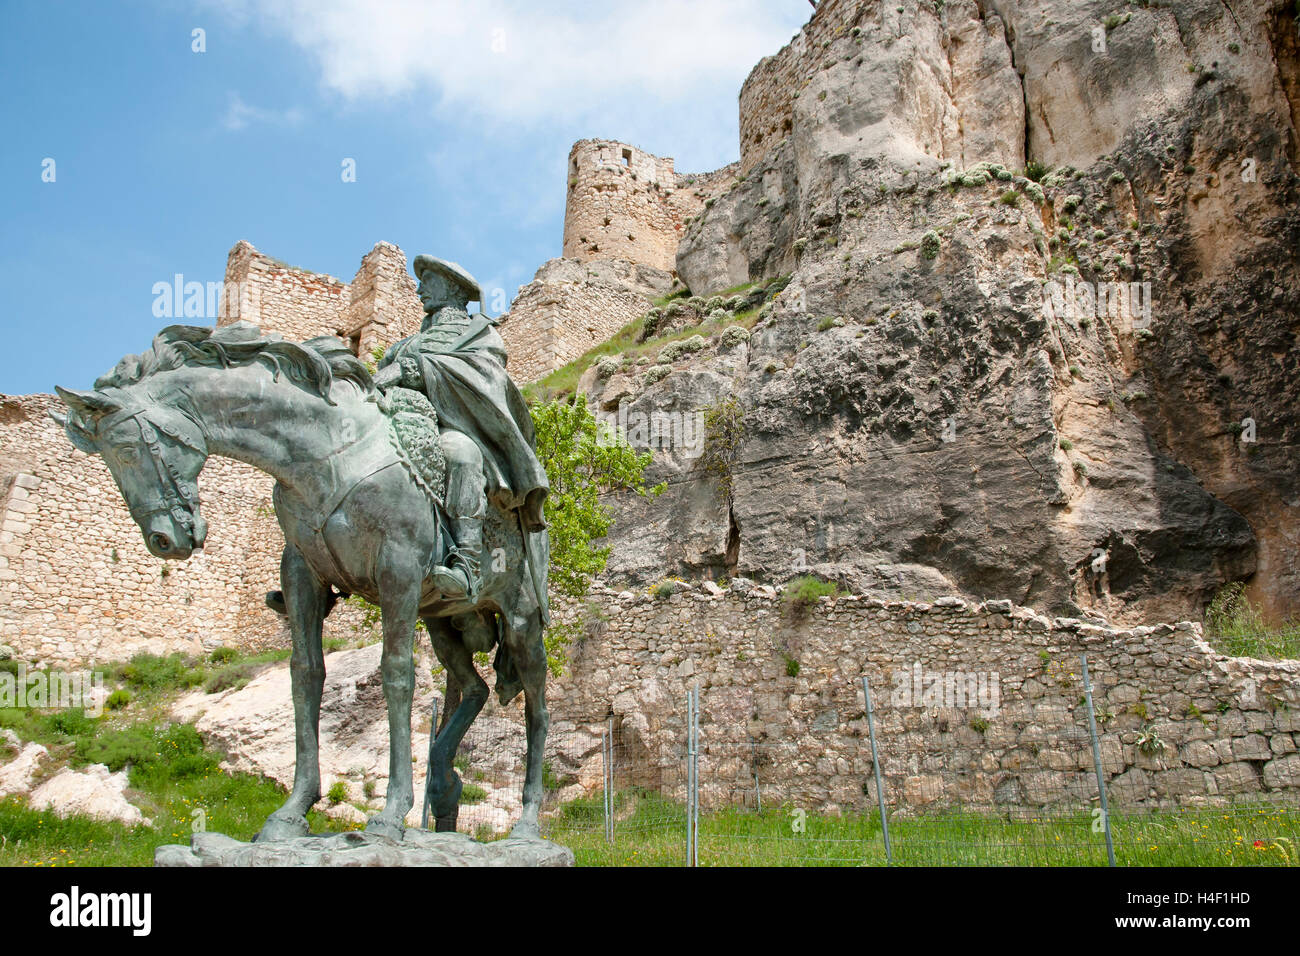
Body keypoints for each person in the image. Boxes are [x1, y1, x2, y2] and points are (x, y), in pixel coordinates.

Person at [369, 255, 548, 602]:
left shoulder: (479, 336)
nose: (420, 291)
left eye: (428, 283)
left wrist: (414, 370)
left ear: (451, 288)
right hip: (394, 419)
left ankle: (465, 562)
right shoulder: (403, 344)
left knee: (462, 455)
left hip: (448, 425)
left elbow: (485, 378)